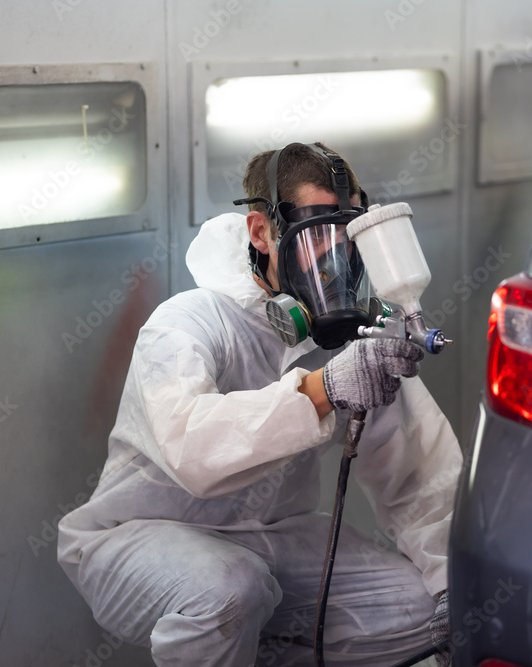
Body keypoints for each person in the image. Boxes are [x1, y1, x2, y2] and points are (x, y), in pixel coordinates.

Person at [58, 142, 462, 667]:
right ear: (261, 232)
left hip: (274, 540)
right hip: (142, 538)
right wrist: (322, 389)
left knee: (421, 613)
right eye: (318, 237)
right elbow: (191, 447)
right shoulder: (187, 322)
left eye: (348, 239)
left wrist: (452, 578)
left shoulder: (343, 338)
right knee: (229, 591)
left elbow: (418, 472)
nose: (337, 261)